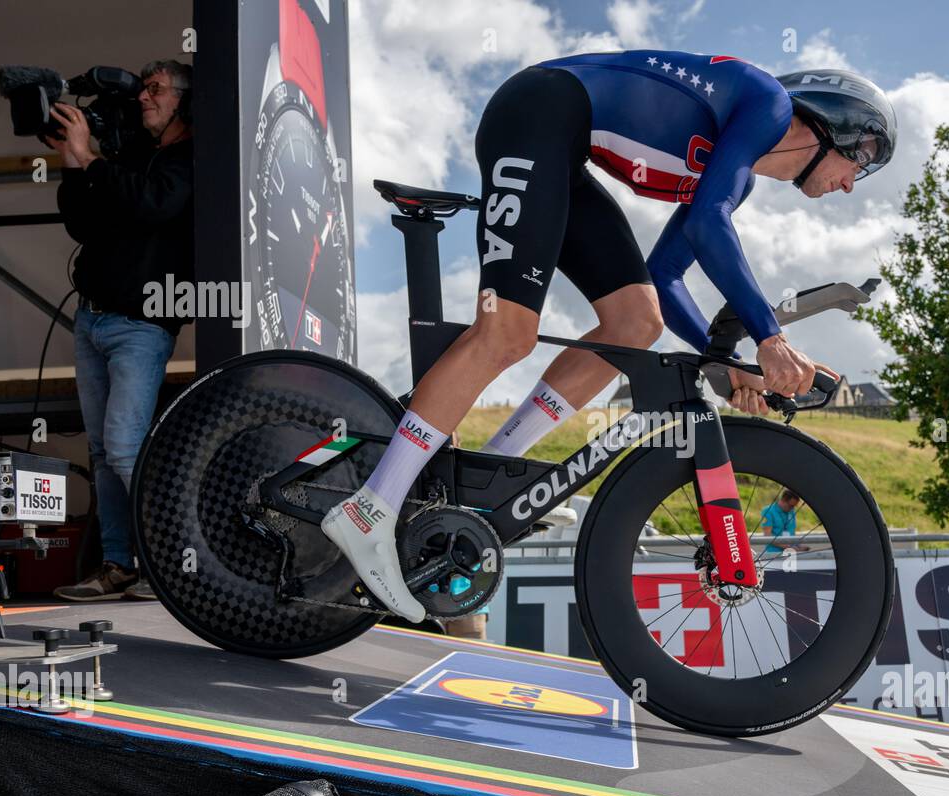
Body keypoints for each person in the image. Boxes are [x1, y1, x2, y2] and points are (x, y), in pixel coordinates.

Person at [323, 51, 899, 621]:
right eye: (863, 161)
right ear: (833, 126)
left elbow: (668, 277)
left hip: (563, 152)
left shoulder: (738, 176)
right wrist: (768, 338)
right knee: (508, 332)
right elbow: (707, 225)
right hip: (539, 112)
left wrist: (727, 366)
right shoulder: (770, 106)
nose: (853, 185)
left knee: (636, 322)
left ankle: (491, 477)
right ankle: (370, 509)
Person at [47, 60, 195, 601]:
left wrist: (91, 159)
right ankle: (118, 564)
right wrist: (72, 165)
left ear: (184, 99)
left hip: (141, 324)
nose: (143, 98)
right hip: (92, 317)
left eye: (154, 89)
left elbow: (154, 205)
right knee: (104, 452)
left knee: (126, 448)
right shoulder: (133, 155)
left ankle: (176, 562)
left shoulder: (189, 159)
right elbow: (83, 224)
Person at [760, 488, 808, 555]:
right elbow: (768, 535)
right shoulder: (768, 511)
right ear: (783, 500)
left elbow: (792, 533)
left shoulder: (791, 512)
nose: (792, 508)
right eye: (791, 506)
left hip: (791, 554)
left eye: (794, 506)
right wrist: (788, 547)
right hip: (774, 554)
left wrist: (799, 546)